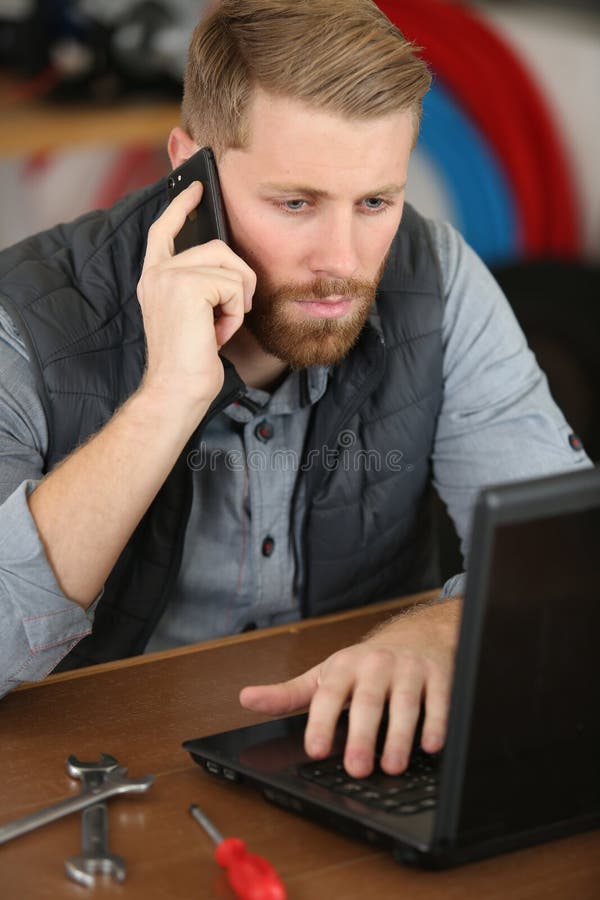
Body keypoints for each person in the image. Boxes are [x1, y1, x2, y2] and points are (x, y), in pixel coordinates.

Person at [0, 0, 590, 779]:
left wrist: (440, 633)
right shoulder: (23, 317)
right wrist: (168, 398)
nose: (342, 262)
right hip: (90, 774)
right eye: (296, 203)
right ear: (191, 170)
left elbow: (569, 564)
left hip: (347, 760)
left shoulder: (436, 277)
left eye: (376, 201)